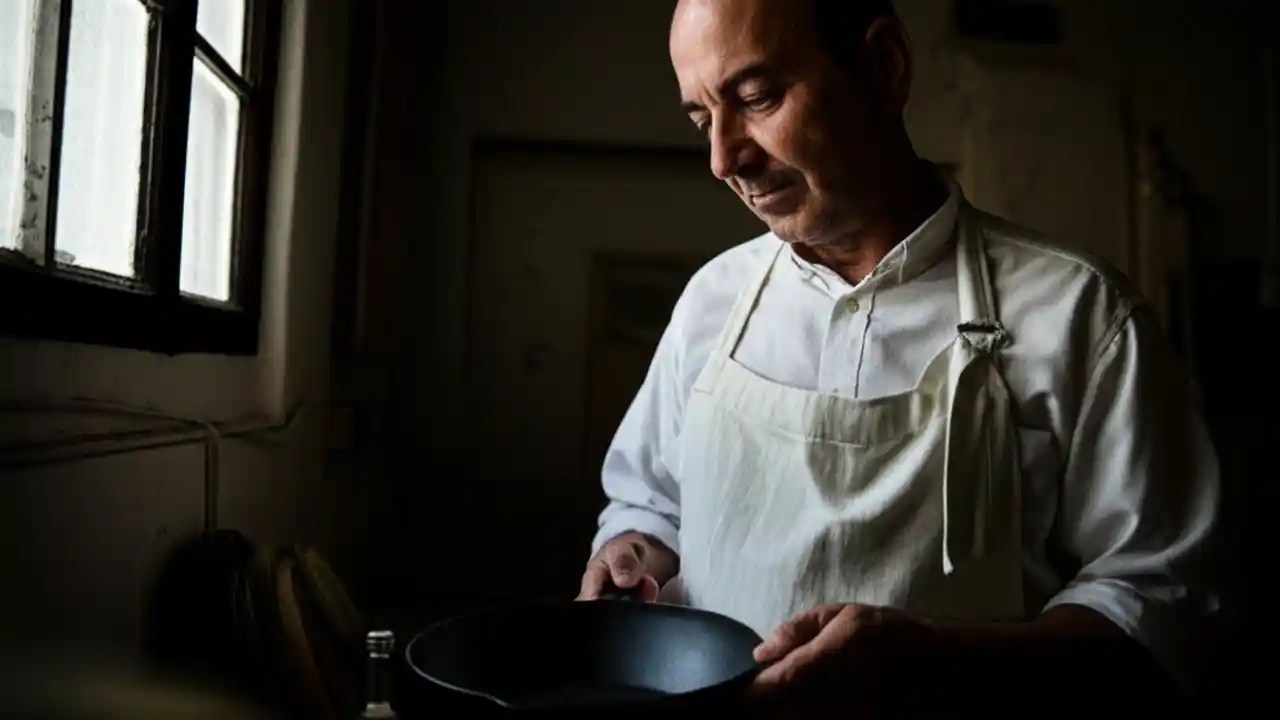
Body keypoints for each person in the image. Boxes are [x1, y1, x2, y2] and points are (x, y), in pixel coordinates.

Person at [577, 0, 1222, 713]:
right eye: (702, 119)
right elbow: (650, 502)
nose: (724, 157)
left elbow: (1160, 605)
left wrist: (944, 662)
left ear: (885, 68)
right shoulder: (711, 303)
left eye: (756, 99)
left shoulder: (1082, 317)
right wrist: (632, 550)